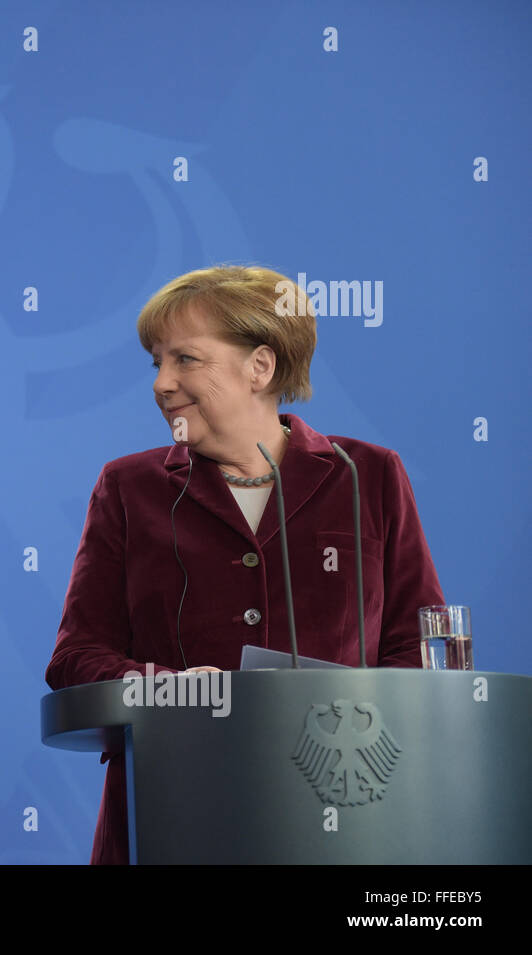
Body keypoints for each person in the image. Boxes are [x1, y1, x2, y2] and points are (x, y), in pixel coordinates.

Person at [45, 266, 442, 864]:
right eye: (156, 362)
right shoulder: (128, 486)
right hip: (170, 810)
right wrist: (176, 692)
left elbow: (418, 649)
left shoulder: (369, 475)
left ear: (262, 366)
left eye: (185, 360)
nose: (162, 382)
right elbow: (76, 658)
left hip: (341, 819)